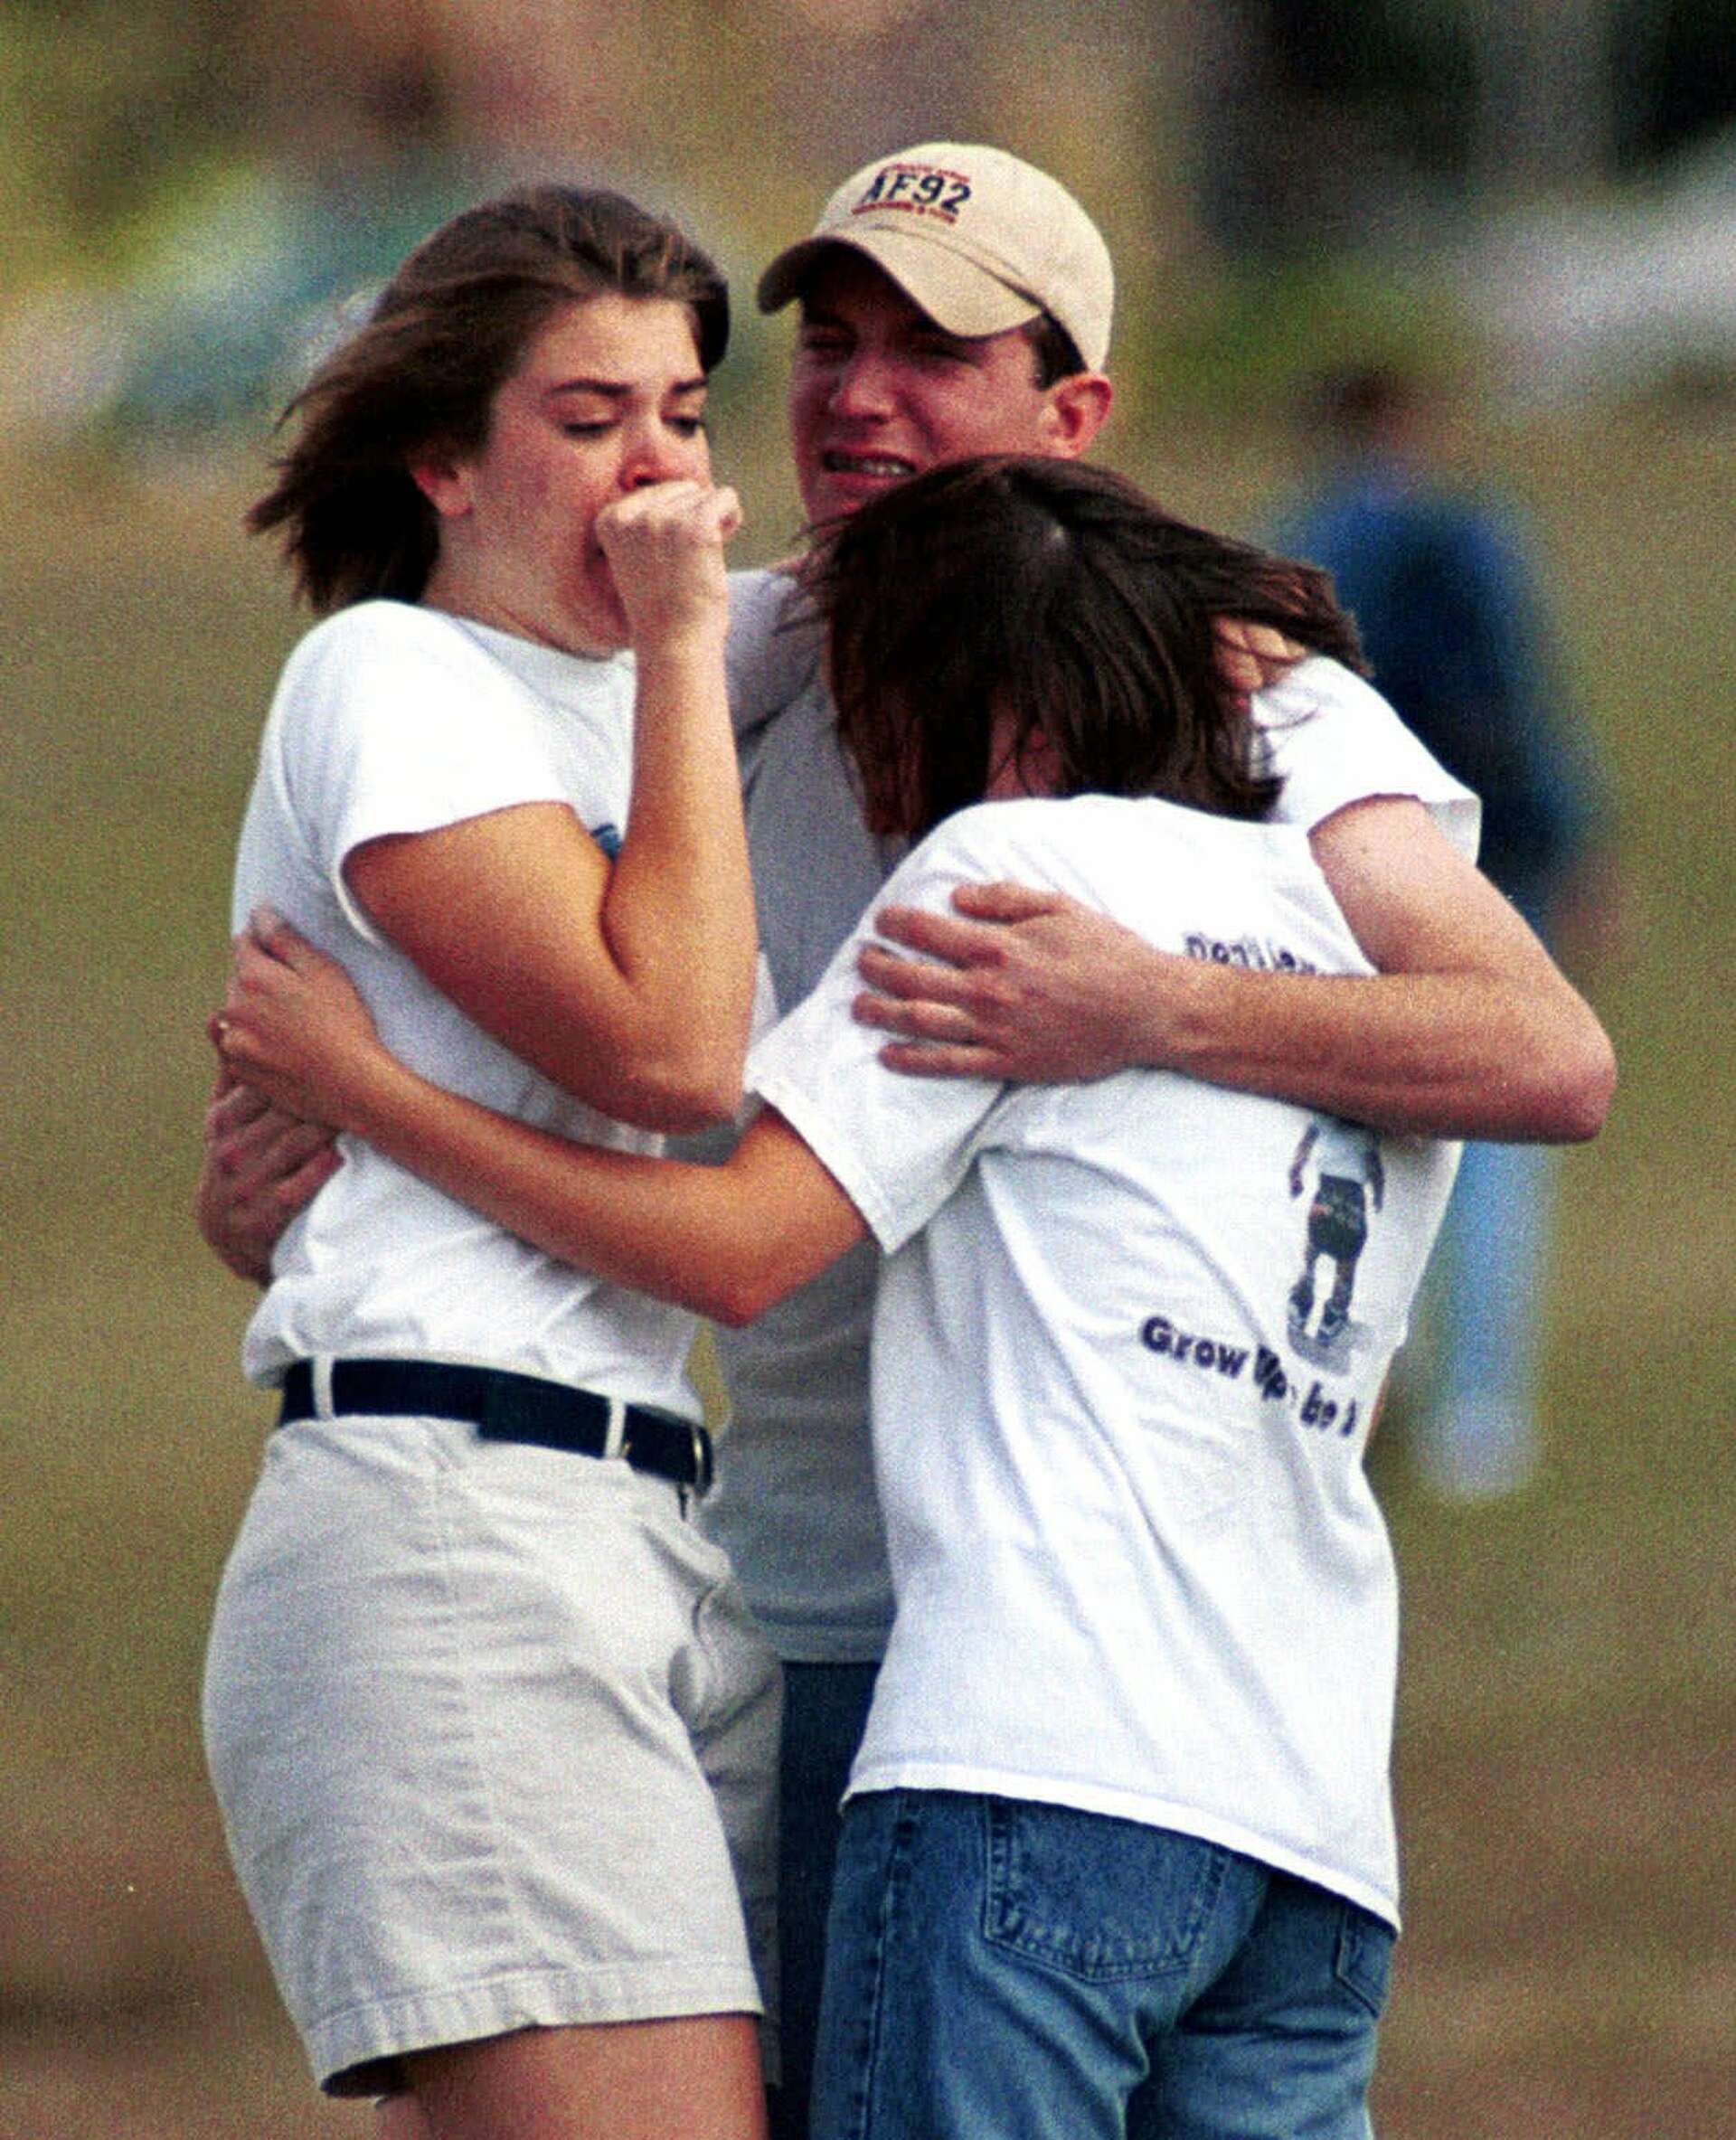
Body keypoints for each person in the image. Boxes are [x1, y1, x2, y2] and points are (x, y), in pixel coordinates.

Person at [198, 143, 1616, 2135]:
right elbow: (437, 880)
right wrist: (290, 1161)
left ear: (1075, 417)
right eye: (826, 344)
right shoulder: (719, 664)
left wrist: (1150, 1005)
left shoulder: (1231, 703)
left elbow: (1546, 1051)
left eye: (935, 353)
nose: (859, 396)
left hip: (1039, 1692)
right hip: (806, 1624)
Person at [200, 184, 782, 2140]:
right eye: (590, 414)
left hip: (636, 1508)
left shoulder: (639, 710)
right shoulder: (397, 678)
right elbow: (675, 1045)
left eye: (687, 416)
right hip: (459, 1521)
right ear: (444, 456)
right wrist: (687, 646)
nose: (656, 470)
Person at [1269, 360, 1621, 1496]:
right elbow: (1522, 705)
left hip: (1339, 873)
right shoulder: (1465, 540)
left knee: (1369, 1136)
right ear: (1412, 420)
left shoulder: (1293, 545)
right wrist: (1579, 849)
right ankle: (1482, 1402)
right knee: (1495, 1159)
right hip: (1483, 865)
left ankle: (1371, 1378)